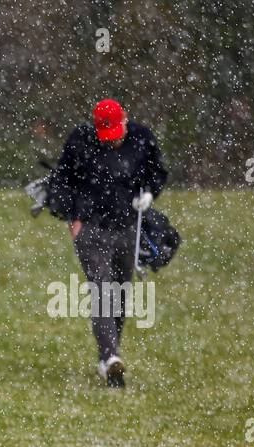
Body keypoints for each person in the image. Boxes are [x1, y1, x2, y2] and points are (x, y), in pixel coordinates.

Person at [48, 98, 168, 387]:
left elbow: (157, 173)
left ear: (125, 120)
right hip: (90, 229)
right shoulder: (80, 142)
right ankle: (110, 356)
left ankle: (107, 358)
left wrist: (150, 193)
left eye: (116, 135)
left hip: (127, 226)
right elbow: (62, 180)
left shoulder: (142, 140)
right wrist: (71, 216)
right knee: (102, 290)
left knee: (120, 293)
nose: (112, 143)